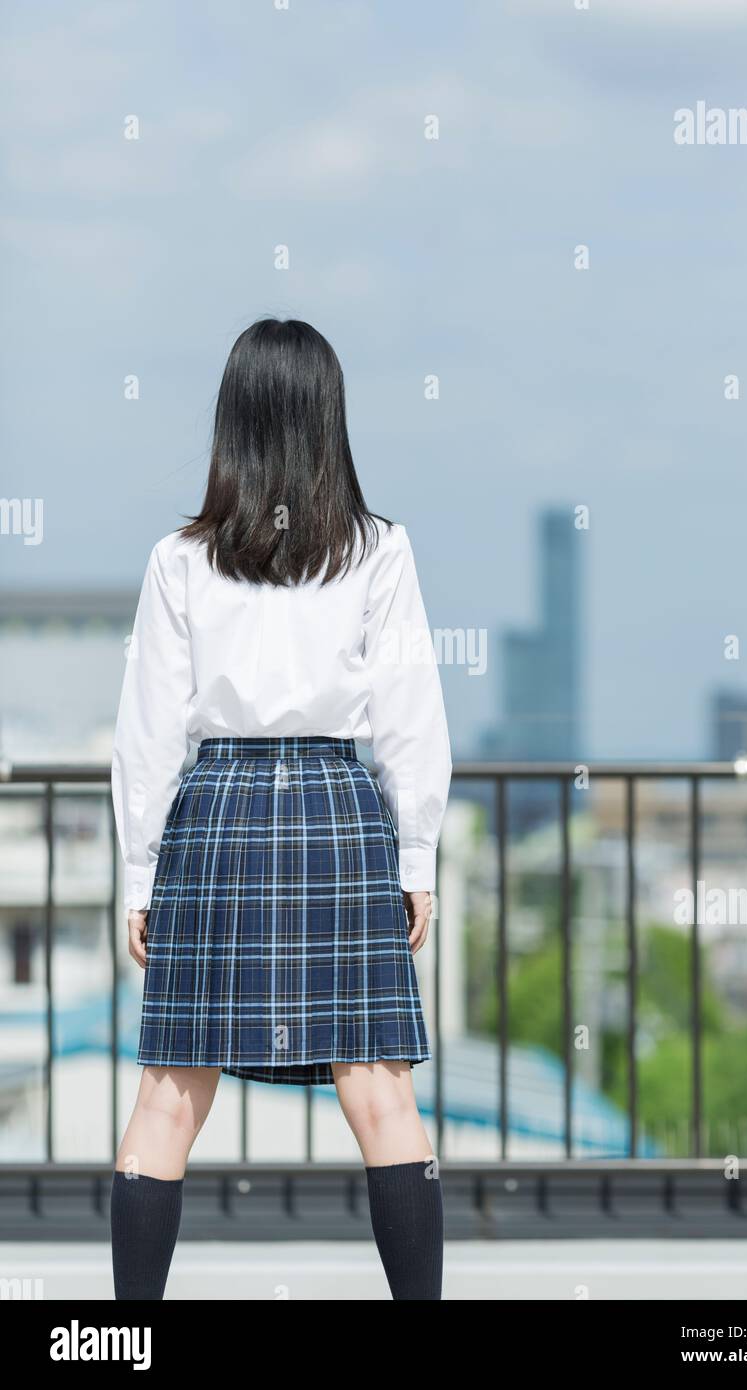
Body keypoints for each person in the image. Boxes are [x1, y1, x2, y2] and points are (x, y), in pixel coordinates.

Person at [109, 317, 452, 1300]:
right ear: (326, 420)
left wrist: (140, 873)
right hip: (339, 816)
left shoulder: (179, 558)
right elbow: (411, 716)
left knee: (168, 1093)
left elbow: (147, 733)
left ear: (234, 423)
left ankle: (129, 1337)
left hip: (214, 816)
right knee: (381, 1091)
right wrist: (415, 855)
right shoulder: (380, 550)